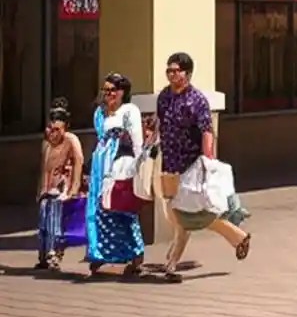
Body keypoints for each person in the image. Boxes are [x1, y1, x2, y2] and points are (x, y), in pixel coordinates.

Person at [157, 52, 251, 282]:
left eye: (176, 70)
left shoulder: (196, 100)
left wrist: (208, 161)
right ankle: (238, 237)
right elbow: (160, 122)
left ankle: (171, 264)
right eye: (169, 70)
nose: (171, 74)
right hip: (170, 163)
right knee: (179, 213)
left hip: (192, 164)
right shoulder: (164, 97)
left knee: (182, 213)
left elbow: (207, 131)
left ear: (187, 74)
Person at [86, 73, 145, 276]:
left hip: (120, 163)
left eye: (112, 90)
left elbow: (137, 142)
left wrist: (139, 166)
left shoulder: (129, 111)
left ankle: (136, 254)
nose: (108, 94)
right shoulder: (100, 113)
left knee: (122, 209)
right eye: (105, 90)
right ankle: (100, 253)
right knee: (98, 209)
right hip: (100, 164)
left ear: (122, 92)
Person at [36, 98, 84, 271]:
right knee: (43, 224)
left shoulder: (71, 140)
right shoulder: (46, 144)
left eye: (57, 129)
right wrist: (39, 190)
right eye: (50, 128)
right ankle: (43, 254)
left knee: (56, 225)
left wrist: (74, 187)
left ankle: (54, 255)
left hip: (61, 190)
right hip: (46, 190)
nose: (52, 133)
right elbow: (43, 168)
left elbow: (79, 162)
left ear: (65, 128)